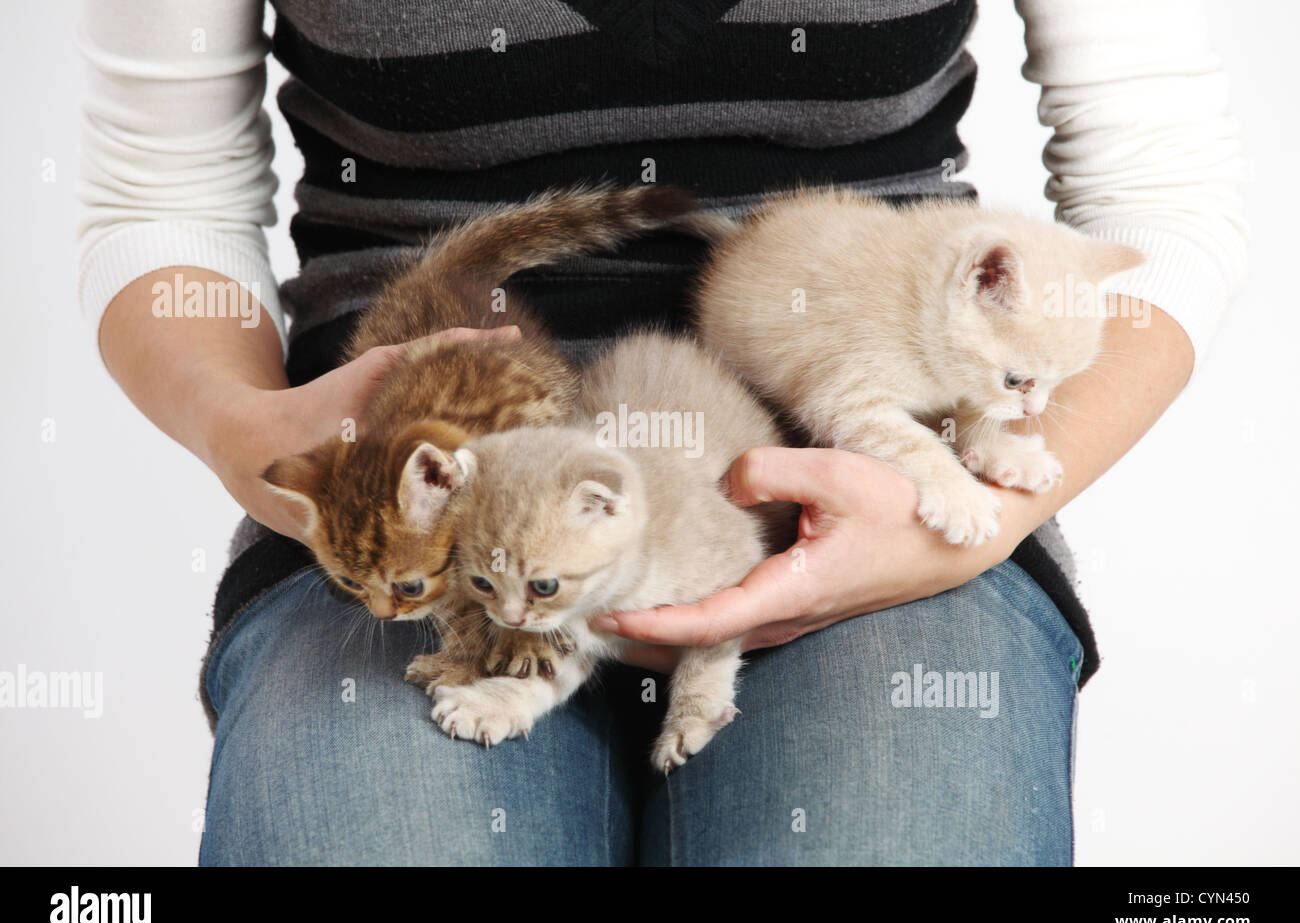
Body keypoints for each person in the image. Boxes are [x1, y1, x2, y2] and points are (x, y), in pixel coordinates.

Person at [80, 0, 1245, 865]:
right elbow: (159, 188)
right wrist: (252, 426)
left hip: (870, 480)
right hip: (419, 504)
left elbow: (1156, 181)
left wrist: (982, 510)